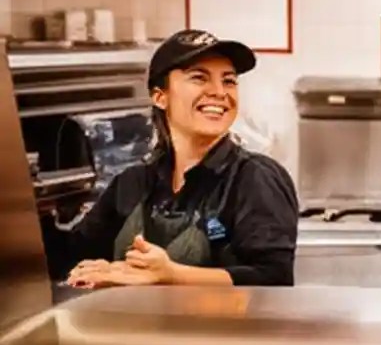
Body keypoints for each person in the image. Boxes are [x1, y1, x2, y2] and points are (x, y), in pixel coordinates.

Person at [62, 29, 299, 289]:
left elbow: (272, 278)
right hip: (137, 328)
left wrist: (171, 275)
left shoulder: (255, 179)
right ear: (160, 96)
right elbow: (72, 255)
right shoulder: (134, 184)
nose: (219, 92)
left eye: (229, 81)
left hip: (223, 330)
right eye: (199, 78)